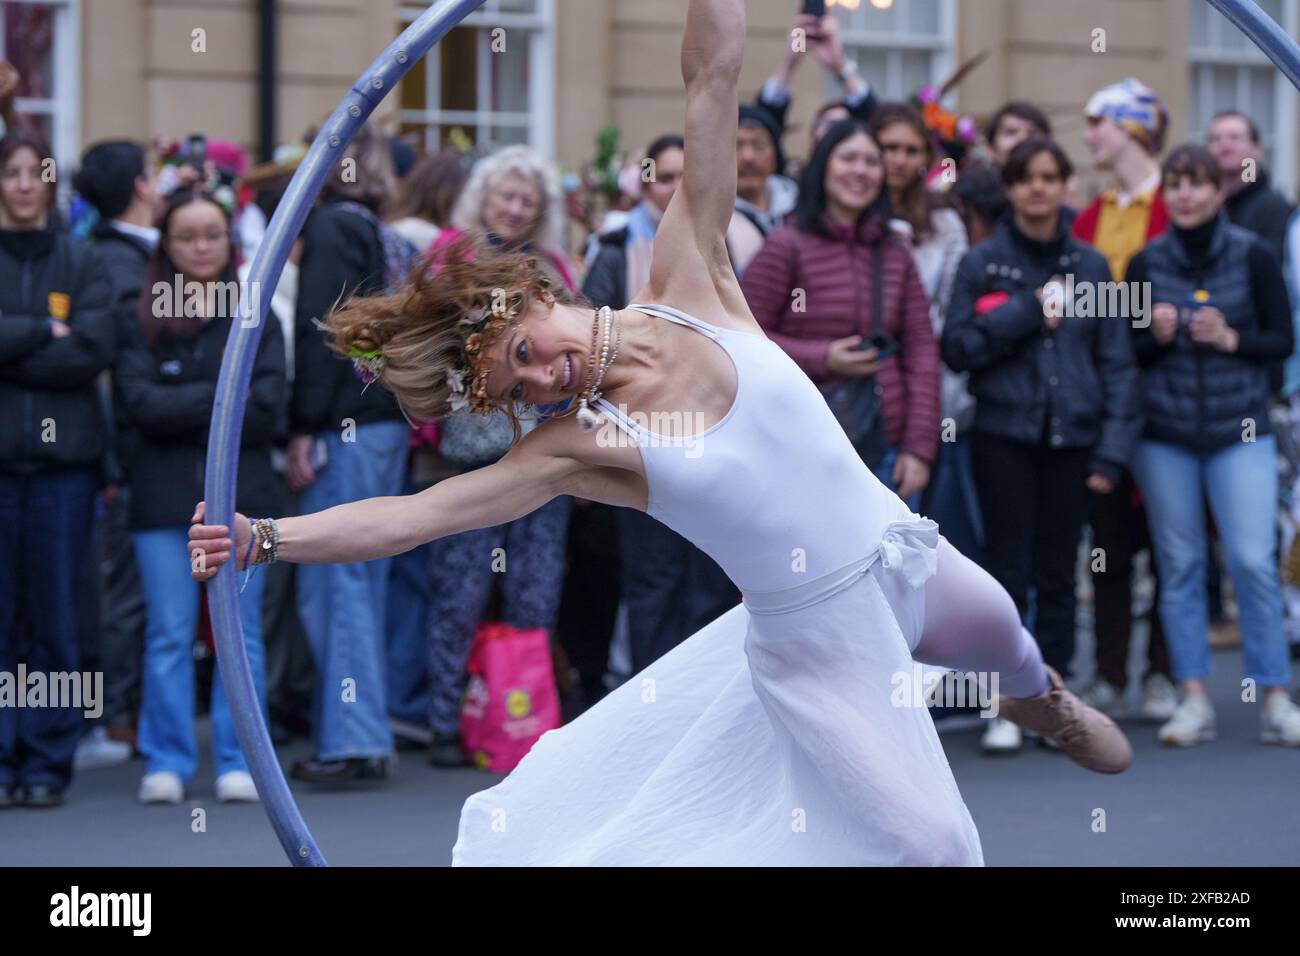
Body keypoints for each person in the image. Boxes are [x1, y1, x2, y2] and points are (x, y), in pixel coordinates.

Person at [190, 0, 1132, 866]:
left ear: (537, 296)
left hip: (900, 553)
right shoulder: (576, 446)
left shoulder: (689, 278)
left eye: (524, 348)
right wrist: (265, 537)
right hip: (820, 642)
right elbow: (418, 515)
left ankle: (1038, 701)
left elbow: (712, 72)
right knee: (929, 845)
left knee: (1009, 638)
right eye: (511, 386)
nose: (537, 376)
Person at [942, 137, 1141, 755]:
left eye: (1049, 177)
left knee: (1058, 575)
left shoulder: (1090, 264)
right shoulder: (983, 262)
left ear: (1063, 186)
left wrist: (1111, 451)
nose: (1037, 188)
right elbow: (959, 348)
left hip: (1072, 441)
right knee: (1006, 575)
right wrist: (1025, 312)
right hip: (1004, 435)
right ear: (1009, 187)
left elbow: (1116, 363)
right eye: (1025, 177)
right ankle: (1008, 703)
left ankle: (1051, 704)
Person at [1124, 144, 1300, 747]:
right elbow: (1126, 353)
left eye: (1197, 184)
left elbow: (1280, 340)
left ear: (1218, 191)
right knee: (1180, 566)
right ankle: (1192, 696)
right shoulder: (1146, 262)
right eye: (1175, 185)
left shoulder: (1252, 254)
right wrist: (1156, 334)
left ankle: (1275, 696)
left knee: (1253, 562)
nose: (1186, 195)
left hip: (1238, 430)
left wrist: (1230, 338)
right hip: (1166, 434)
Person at [115, 188, 286, 803]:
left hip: (242, 503)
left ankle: (241, 759)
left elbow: (266, 409)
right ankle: (166, 758)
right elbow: (138, 406)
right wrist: (218, 402)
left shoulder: (257, 312)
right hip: (162, 503)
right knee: (168, 632)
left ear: (230, 239)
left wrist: (182, 402)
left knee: (240, 633)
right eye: (187, 236)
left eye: (213, 234)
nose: (202, 247)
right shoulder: (139, 314)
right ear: (167, 245)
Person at [421, 143, 574, 766]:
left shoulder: (554, 265)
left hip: (546, 448)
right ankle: (441, 721)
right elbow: (427, 346)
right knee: (461, 586)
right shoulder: (451, 258)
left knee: (535, 588)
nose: (514, 209)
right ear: (482, 198)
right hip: (472, 449)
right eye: (505, 196)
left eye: (526, 201)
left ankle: (524, 716)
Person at [582, 132, 738, 688]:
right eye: (665, 177)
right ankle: (651, 703)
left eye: (683, 177)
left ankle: (701, 703)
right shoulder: (614, 245)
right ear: (646, 183)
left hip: (706, 433)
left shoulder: (713, 244)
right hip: (639, 436)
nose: (675, 188)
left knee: (707, 577)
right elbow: (590, 337)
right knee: (652, 577)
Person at [287, 119, 408, 785]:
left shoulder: (334, 227)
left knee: (336, 582)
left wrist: (305, 424)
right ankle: (365, 728)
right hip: (382, 422)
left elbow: (324, 335)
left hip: (345, 428)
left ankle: (354, 739)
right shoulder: (380, 232)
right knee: (363, 579)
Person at [741, 119, 939, 511]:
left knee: (886, 567)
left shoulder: (895, 253)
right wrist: (822, 358)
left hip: (886, 445)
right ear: (823, 167)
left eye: (871, 161)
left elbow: (921, 352)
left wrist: (918, 448)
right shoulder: (786, 245)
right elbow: (743, 338)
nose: (860, 171)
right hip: (803, 445)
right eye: (848, 158)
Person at [0, 130, 115, 808]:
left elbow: (93, 350)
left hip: (61, 473)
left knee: (53, 620)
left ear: (49, 185)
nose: (20, 184)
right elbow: (65, 348)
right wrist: (44, 332)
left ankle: (45, 759)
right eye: (9, 172)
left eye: (32, 172)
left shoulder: (82, 262)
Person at [1071, 77, 1177, 724]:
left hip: (1167, 403)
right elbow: (1085, 304)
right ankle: (1109, 674)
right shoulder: (1089, 216)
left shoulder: (1181, 204)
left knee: (1172, 548)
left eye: (1097, 123)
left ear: (1132, 126)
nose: (1089, 137)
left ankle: (1163, 673)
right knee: (1106, 546)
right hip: (1105, 405)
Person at [72, 140, 162, 761]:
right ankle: (113, 718)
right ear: (137, 185)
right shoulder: (119, 265)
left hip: (130, 451)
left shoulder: (115, 257)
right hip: (130, 453)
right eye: (152, 174)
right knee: (127, 593)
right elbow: (112, 375)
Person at [869, 103, 973, 540]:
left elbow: (948, 309)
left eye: (912, 150)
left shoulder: (945, 224)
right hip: (857, 385)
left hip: (927, 385)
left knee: (910, 533)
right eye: (889, 147)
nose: (899, 159)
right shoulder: (852, 215)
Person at [1206, 110, 1294, 265]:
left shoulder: (1275, 209)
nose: (1224, 145)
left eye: (1235, 137)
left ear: (1256, 149)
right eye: (1215, 139)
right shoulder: (1199, 207)